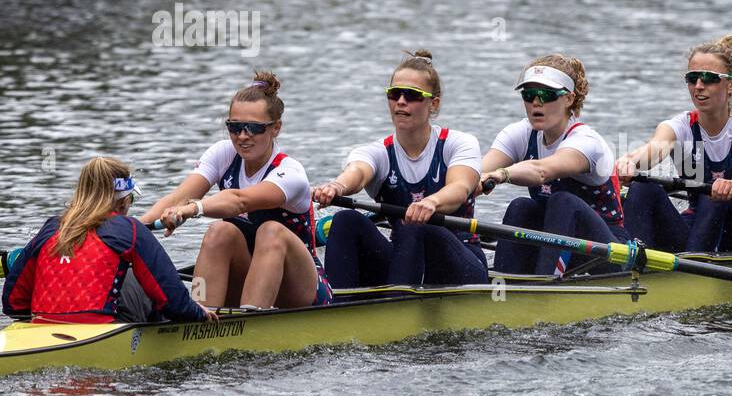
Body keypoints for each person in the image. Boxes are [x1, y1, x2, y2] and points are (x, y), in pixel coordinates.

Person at [141, 71, 333, 309]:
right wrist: (130, 230)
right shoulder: (223, 153)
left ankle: (250, 320)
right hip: (249, 275)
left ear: (276, 128)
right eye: (235, 127)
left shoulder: (290, 172)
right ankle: (198, 314)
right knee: (219, 231)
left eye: (254, 128)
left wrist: (193, 209)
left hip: (302, 288)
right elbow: (178, 197)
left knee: (270, 230)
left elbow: (239, 200)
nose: (243, 136)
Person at [312, 51, 487, 288]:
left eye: (412, 95)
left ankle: (395, 306)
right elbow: (357, 172)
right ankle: (337, 306)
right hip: (405, 261)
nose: (401, 101)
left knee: (413, 226)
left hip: (463, 267)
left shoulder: (459, 143)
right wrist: (337, 186)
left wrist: (432, 203)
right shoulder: (377, 152)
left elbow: (460, 187)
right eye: (394, 94)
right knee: (346, 220)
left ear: (433, 104)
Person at [3, 157, 211, 324]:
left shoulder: (50, 229)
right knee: (138, 279)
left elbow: (13, 304)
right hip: (101, 333)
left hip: (41, 328)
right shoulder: (130, 229)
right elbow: (173, 302)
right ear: (123, 201)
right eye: (131, 199)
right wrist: (197, 313)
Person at [617, 35, 732, 252]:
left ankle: (689, 272)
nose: (699, 86)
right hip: (695, 226)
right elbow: (653, 149)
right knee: (643, 188)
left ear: (731, 85)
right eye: (692, 78)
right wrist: (630, 162)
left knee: (715, 196)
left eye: (709, 78)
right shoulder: (679, 126)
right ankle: (634, 266)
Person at [479, 55, 627, 275]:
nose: (536, 103)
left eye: (546, 95)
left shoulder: (587, 141)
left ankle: (544, 286)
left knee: (562, 201)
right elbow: (476, 173)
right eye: (529, 95)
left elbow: (541, 171)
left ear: (568, 99)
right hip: (555, 243)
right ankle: (503, 282)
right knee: (521, 206)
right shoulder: (520, 133)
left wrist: (500, 175)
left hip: (606, 251)